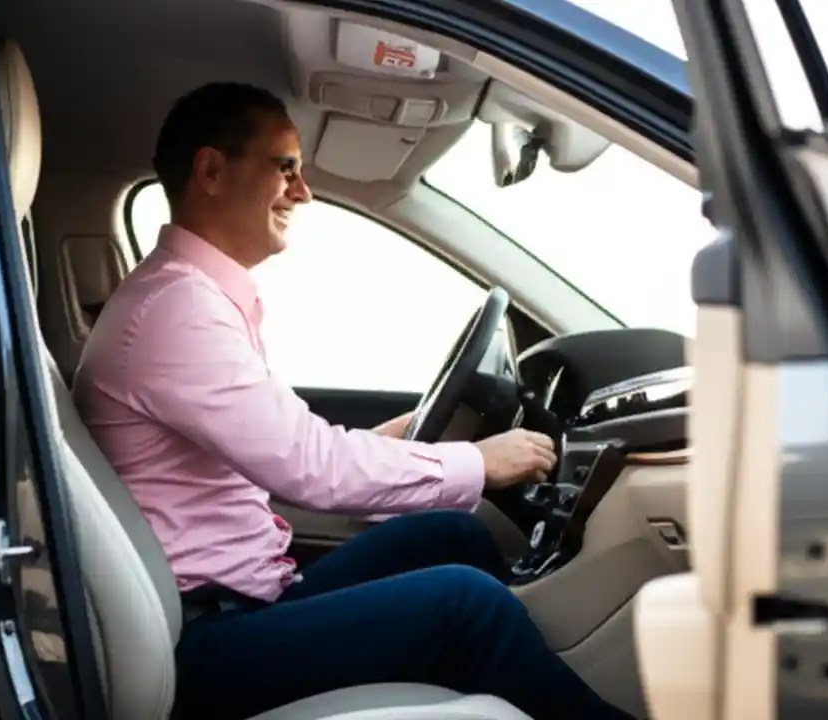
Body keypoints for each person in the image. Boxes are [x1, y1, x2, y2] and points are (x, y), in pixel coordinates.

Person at [72, 81, 634, 720]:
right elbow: (310, 467)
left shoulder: (189, 298)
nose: (302, 192)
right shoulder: (178, 310)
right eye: (286, 168)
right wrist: (480, 461)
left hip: (243, 599)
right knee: (466, 605)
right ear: (211, 171)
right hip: (203, 640)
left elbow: (286, 446)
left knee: (449, 533)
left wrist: (409, 435)